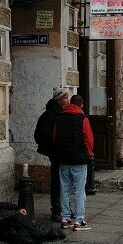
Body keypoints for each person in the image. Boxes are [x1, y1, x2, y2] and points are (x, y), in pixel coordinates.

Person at [54, 92, 94, 230]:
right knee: (79, 190)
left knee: (64, 190)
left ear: (71, 103)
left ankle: (65, 218)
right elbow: (88, 139)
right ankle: (79, 220)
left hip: (63, 159)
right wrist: (89, 154)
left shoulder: (60, 117)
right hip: (78, 159)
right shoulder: (82, 118)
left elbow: (55, 137)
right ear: (81, 105)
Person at [34, 90, 68, 221]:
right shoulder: (52, 115)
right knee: (58, 181)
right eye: (65, 98)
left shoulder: (58, 113)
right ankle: (57, 209)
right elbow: (41, 135)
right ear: (59, 101)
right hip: (57, 152)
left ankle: (63, 208)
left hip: (59, 152)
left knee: (63, 181)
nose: (68, 100)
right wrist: (53, 148)